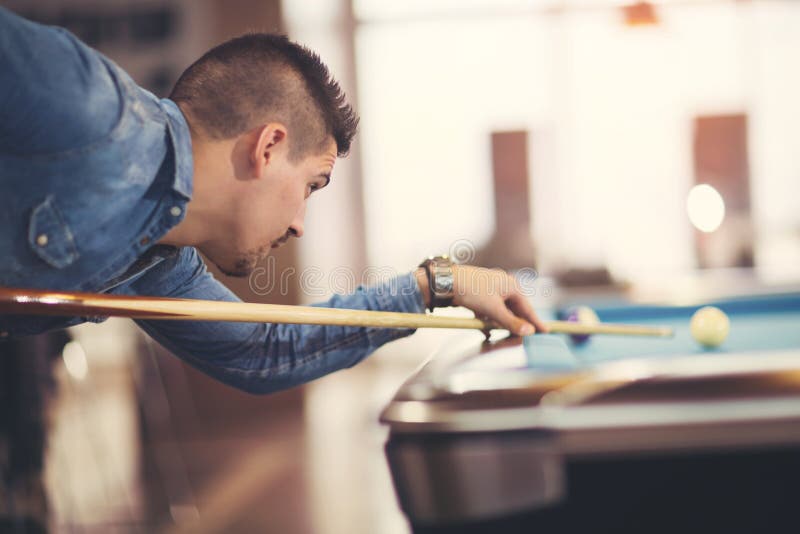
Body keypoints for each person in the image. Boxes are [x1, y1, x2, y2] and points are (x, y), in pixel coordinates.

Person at [0, 6, 544, 395]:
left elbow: (266, 350)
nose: (301, 224)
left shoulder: (163, 258)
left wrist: (436, 285)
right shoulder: (86, 102)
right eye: (312, 185)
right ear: (268, 146)